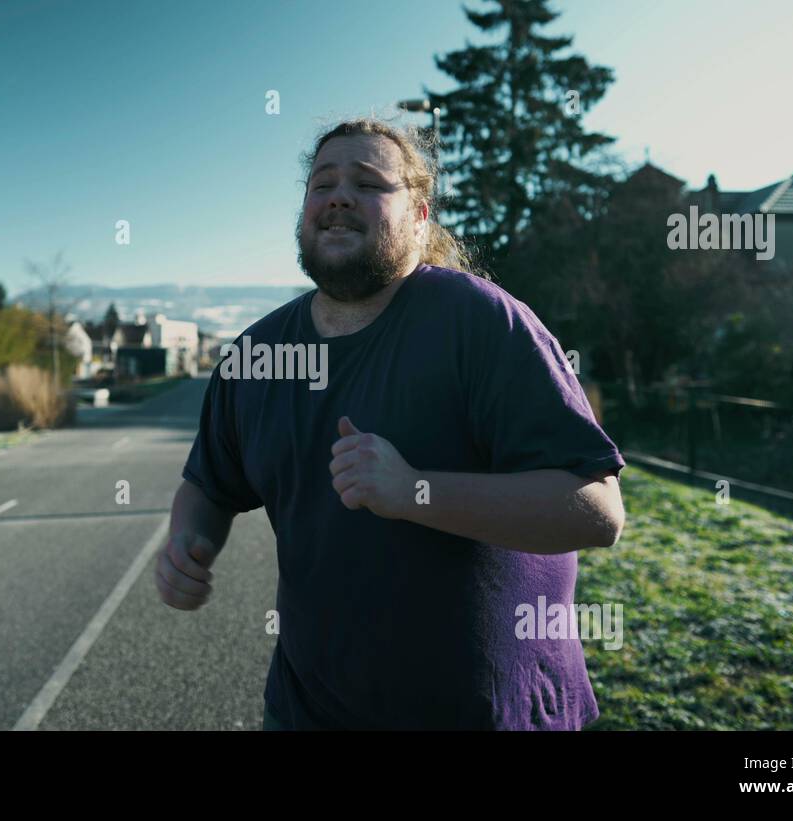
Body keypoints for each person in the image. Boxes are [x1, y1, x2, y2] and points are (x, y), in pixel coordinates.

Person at [155, 117, 626, 730]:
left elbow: (595, 510)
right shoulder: (257, 355)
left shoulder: (479, 322)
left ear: (421, 215)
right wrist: (188, 541)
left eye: (369, 182)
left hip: (490, 714)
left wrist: (414, 491)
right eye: (321, 183)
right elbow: (210, 485)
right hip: (307, 712)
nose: (339, 195)